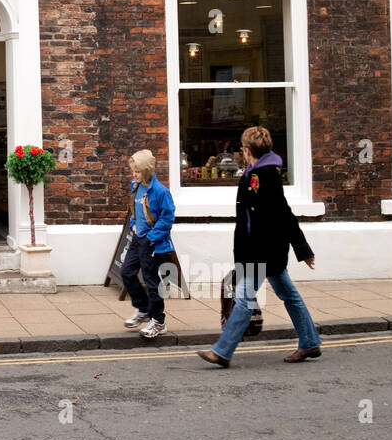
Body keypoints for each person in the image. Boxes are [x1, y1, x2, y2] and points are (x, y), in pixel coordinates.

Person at [199, 126, 322, 368]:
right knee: (290, 296)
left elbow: (283, 212)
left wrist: (302, 247)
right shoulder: (257, 171)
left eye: (242, 148)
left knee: (244, 298)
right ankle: (309, 342)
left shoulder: (264, 175)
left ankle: (222, 351)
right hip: (265, 248)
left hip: (262, 249)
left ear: (246, 150)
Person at [120, 149, 177, 338]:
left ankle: (158, 321)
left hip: (153, 242)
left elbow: (168, 218)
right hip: (138, 239)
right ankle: (143, 309)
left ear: (146, 170)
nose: (133, 174)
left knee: (152, 281)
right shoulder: (135, 186)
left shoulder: (161, 192)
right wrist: (134, 225)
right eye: (133, 171)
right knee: (126, 272)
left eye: (137, 171)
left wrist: (152, 237)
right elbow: (134, 209)